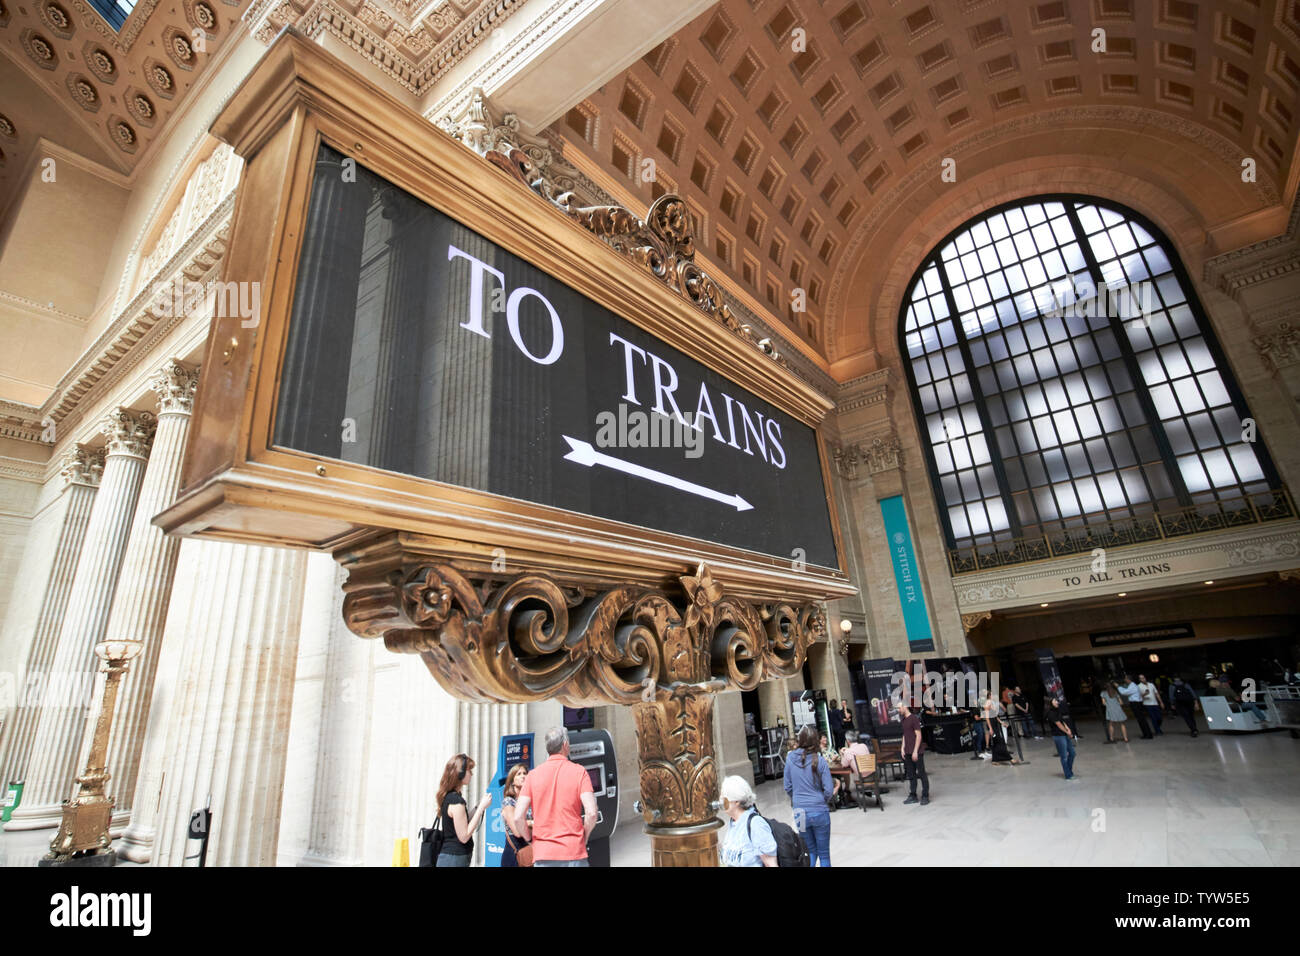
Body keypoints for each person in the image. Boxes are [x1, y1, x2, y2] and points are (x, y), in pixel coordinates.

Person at [513, 727, 598, 867]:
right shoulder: (579, 772)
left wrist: (529, 837)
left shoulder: (532, 776)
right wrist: (585, 837)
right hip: (573, 851)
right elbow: (592, 813)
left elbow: (517, 817)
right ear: (565, 745)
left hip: (543, 852)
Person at [783, 724, 833, 867]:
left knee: (809, 851)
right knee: (823, 854)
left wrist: (797, 799)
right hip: (819, 811)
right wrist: (821, 801)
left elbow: (787, 786)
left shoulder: (790, 759)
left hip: (800, 812)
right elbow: (829, 789)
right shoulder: (820, 761)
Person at [435, 753, 492, 867]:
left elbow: (463, 822)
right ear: (459, 774)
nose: (471, 773)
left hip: (453, 857)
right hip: (454, 859)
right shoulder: (456, 801)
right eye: (469, 770)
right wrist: (481, 808)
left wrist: (478, 806)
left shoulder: (451, 796)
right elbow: (464, 836)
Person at [719, 775, 777, 867]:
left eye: (724, 797)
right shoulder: (733, 823)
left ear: (736, 801)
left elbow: (771, 864)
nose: (720, 800)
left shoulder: (756, 824)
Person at [898, 700, 930, 804]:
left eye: (899, 708)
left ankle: (925, 796)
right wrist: (902, 748)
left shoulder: (914, 719)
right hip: (907, 751)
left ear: (905, 707)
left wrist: (915, 751)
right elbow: (905, 734)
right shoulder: (903, 720)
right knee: (911, 775)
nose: (898, 710)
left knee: (921, 773)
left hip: (916, 751)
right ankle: (913, 795)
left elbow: (919, 735)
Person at [500, 763, 531, 868]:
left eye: (525, 773)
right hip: (514, 854)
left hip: (528, 852)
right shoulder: (509, 802)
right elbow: (517, 831)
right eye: (519, 774)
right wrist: (531, 823)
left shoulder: (529, 801)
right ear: (512, 780)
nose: (523, 776)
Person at [1047, 696, 1078, 781]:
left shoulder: (1057, 710)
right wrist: (1067, 732)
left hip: (1063, 734)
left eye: (1056, 701)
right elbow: (1058, 724)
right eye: (1055, 701)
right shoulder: (1050, 713)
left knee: (1072, 753)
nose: (1057, 702)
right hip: (1058, 736)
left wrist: (1068, 728)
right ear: (1050, 703)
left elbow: (1062, 721)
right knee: (1064, 756)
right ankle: (1068, 775)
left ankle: (1068, 770)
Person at [1117, 675, 1154, 739]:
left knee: (1141, 719)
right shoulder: (1132, 685)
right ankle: (1146, 733)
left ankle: (1147, 734)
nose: (1124, 680)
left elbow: (1124, 692)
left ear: (1128, 679)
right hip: (1136, 703)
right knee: (1141, 719)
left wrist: (1118, 687)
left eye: (1125, 678)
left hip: (1135, 704)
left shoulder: (1132, 686)